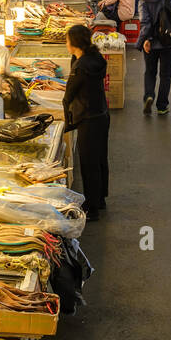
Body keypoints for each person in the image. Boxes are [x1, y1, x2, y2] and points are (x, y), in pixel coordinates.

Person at [63, 25, 110, 220]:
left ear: (74, 43)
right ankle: (99, 199)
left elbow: (69, 94)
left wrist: (68, 120)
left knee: (88, 164)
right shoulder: (95, 59)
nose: (66, 44)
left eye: (67, 40)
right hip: (101, 114)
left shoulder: (81, 67)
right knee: (99, 159)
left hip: (87, 119)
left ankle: (91, 209)